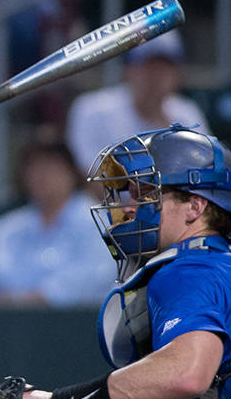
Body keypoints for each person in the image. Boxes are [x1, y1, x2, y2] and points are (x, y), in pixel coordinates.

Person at [21, 125, 231, 399]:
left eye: (145, 194)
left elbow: (187, 374)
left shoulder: (191, 270)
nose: (129, 208)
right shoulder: (216, 261)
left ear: (194, 206)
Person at [0, 136, 116, 307]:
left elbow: (97, 276)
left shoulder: (99, 219)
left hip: (77, 327)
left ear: (71, 172)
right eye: (34, 167)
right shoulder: (4, 229)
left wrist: (35, 298)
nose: (43, 175)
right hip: (7, 327)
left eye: (52, 166)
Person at [66, 30, 211, 173]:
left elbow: (204, 173)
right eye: (148, 66)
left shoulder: (187, 114)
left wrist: (164, 124)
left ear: (178, 75)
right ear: (129, 70)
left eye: (164, 68)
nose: (156, 76)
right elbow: (92, 179)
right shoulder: (93, 109)